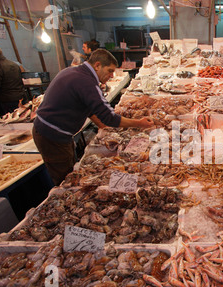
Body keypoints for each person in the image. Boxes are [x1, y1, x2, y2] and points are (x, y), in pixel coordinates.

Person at [32, 48, 154, 186]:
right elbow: (110, 117)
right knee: (66, 181)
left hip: (53, 132)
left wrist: (102, 127)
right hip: (52, 136)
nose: (112, 76)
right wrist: (139, 123)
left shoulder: (74, 72)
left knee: (72, 171)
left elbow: (89, 108)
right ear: (97, 65)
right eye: (110, 71)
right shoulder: (87, 82)